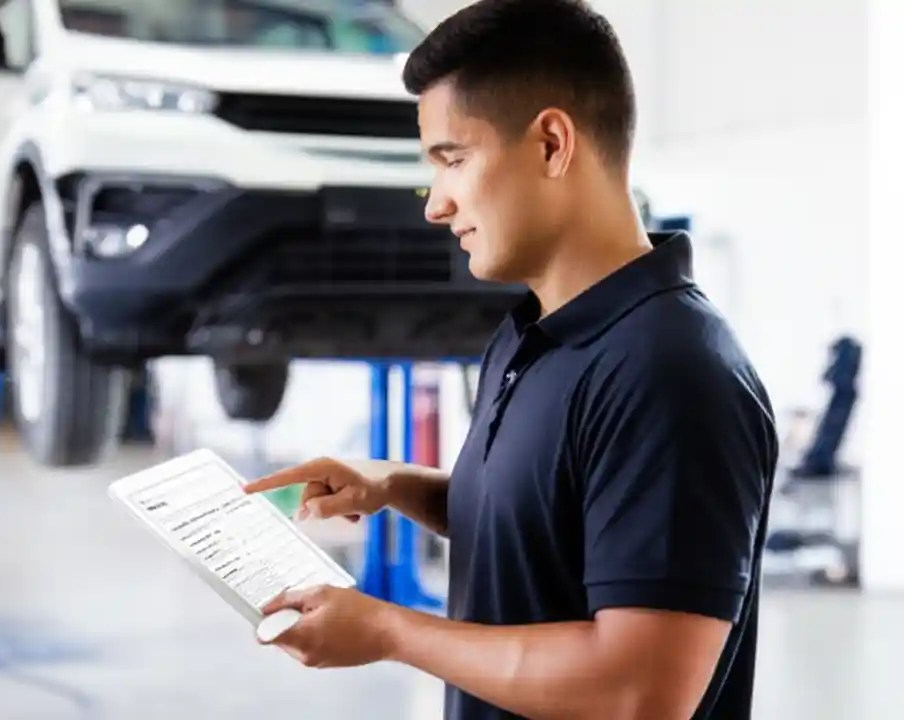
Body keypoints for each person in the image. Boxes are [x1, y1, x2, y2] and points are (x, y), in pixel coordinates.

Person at [241, 1, 778, 718]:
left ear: (552, 144)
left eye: (453, 159)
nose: (435, 204)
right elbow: (550, 525)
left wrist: (389, 629)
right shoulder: (530, 335)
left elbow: (640, 691)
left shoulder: (672, 373)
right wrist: (397, 484)